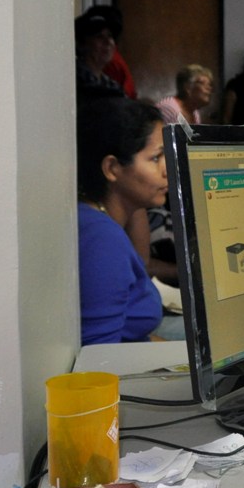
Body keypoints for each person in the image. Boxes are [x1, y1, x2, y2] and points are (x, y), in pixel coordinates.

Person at [76, 97, 168, 344]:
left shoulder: (103, 217)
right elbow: (100, 356)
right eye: (155, 158)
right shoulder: (101, 239)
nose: (167, 169)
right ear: (112, 168)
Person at [74, 7, 125, 102]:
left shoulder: (112, 86)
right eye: (99, 36)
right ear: (83, 43)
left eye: (110, 36)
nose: (107, 42)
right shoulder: (73, 79)